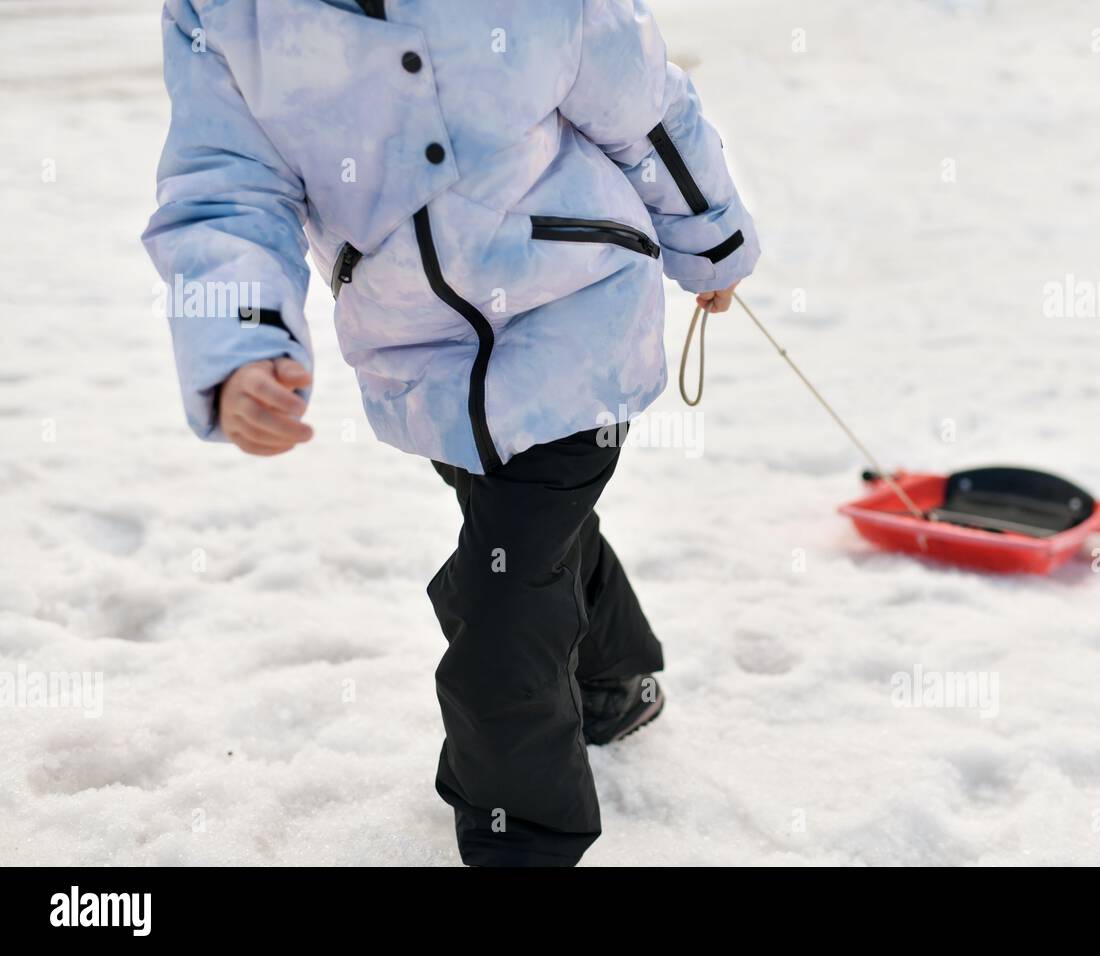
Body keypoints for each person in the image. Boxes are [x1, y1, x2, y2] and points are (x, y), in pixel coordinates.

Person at [142, 0, 759, 866]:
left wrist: (711, 240)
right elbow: (223, 194)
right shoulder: (225, 13)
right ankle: (613, 679)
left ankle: (522, 840)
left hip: (576, 314)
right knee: (528, 536)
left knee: (500, 597)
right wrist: (243, 342)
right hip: (422, 359)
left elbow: (643, 106)